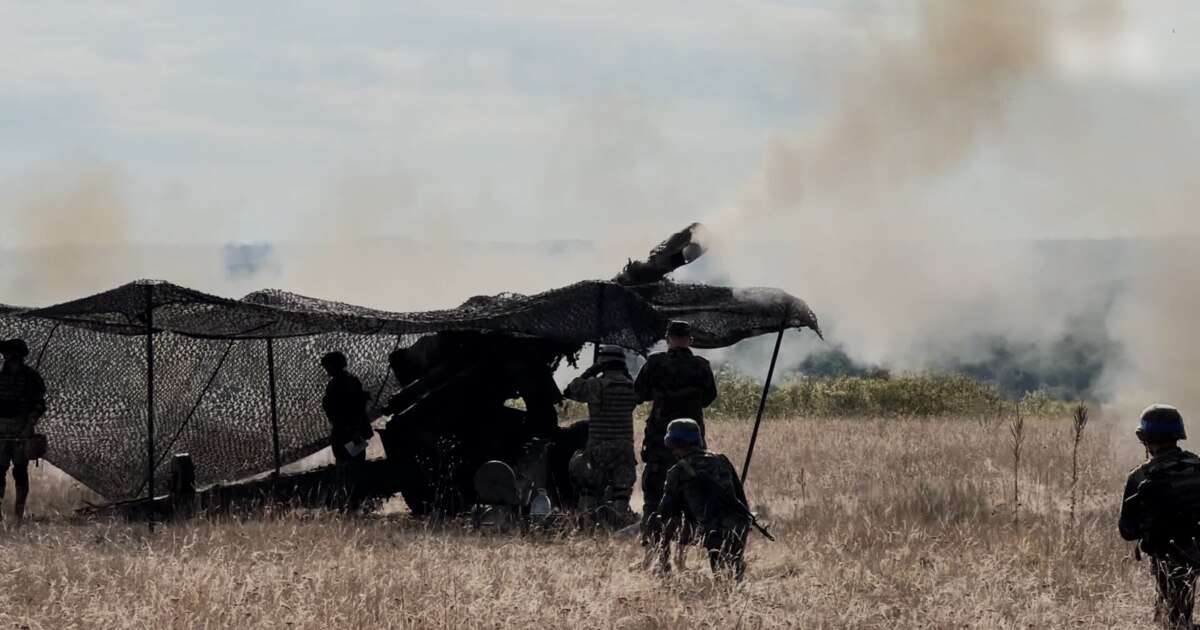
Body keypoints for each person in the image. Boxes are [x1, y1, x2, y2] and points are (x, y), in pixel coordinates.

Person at [634, 320, 717, 544]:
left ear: (668, 338)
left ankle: (653, 545)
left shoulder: (655, 363)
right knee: (691, 492)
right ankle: (687, 542)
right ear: (690, 340)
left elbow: (639, 393)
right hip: (692, 442)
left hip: (659, 441)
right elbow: (709, 398)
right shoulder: (701, 365)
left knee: (654, 494)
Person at [1119, 404, 1200, 628]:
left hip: (1168, 559)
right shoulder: (1198, 466)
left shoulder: (1140, 475)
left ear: (1146, 439)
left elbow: (1127, 531)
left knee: (1174, 621)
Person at [653, 418, 750, 581]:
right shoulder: (721, 459)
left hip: (709, 530)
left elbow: (665, 511)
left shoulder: (677, 471)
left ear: (673, 443)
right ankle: (735, 568)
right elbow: (740, 498)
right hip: (738, 526)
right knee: (730, 577)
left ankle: (663, 569)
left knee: (657, 523)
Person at [563, 344, 638, 527]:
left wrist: (592, 370)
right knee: (621, 492)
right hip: (625, 449)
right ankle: (619, 525)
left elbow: (570, 390)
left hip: (599, 448)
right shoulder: (631, 387)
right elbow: (638, 396)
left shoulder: (596, 385)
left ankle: (588, 524)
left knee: (588, 487)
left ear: (602, 363)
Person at [0, 339, 46, 523]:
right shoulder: (1, 377)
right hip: (1, 428)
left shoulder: (31, 378)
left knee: (19, 471)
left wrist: (29, 425)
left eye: (8, 354)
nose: (5, 357)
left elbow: (39, 404)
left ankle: (19, 513)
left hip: (21, 427)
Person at [320, 351, 372, 511]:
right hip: (355, 431)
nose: (327, 370)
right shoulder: (351, 381)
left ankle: (349, 500)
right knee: (355, 464)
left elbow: (336, 407)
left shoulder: (337, 384)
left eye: (328, 366)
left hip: (345, 431)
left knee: (346, 465)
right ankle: (356, 500)